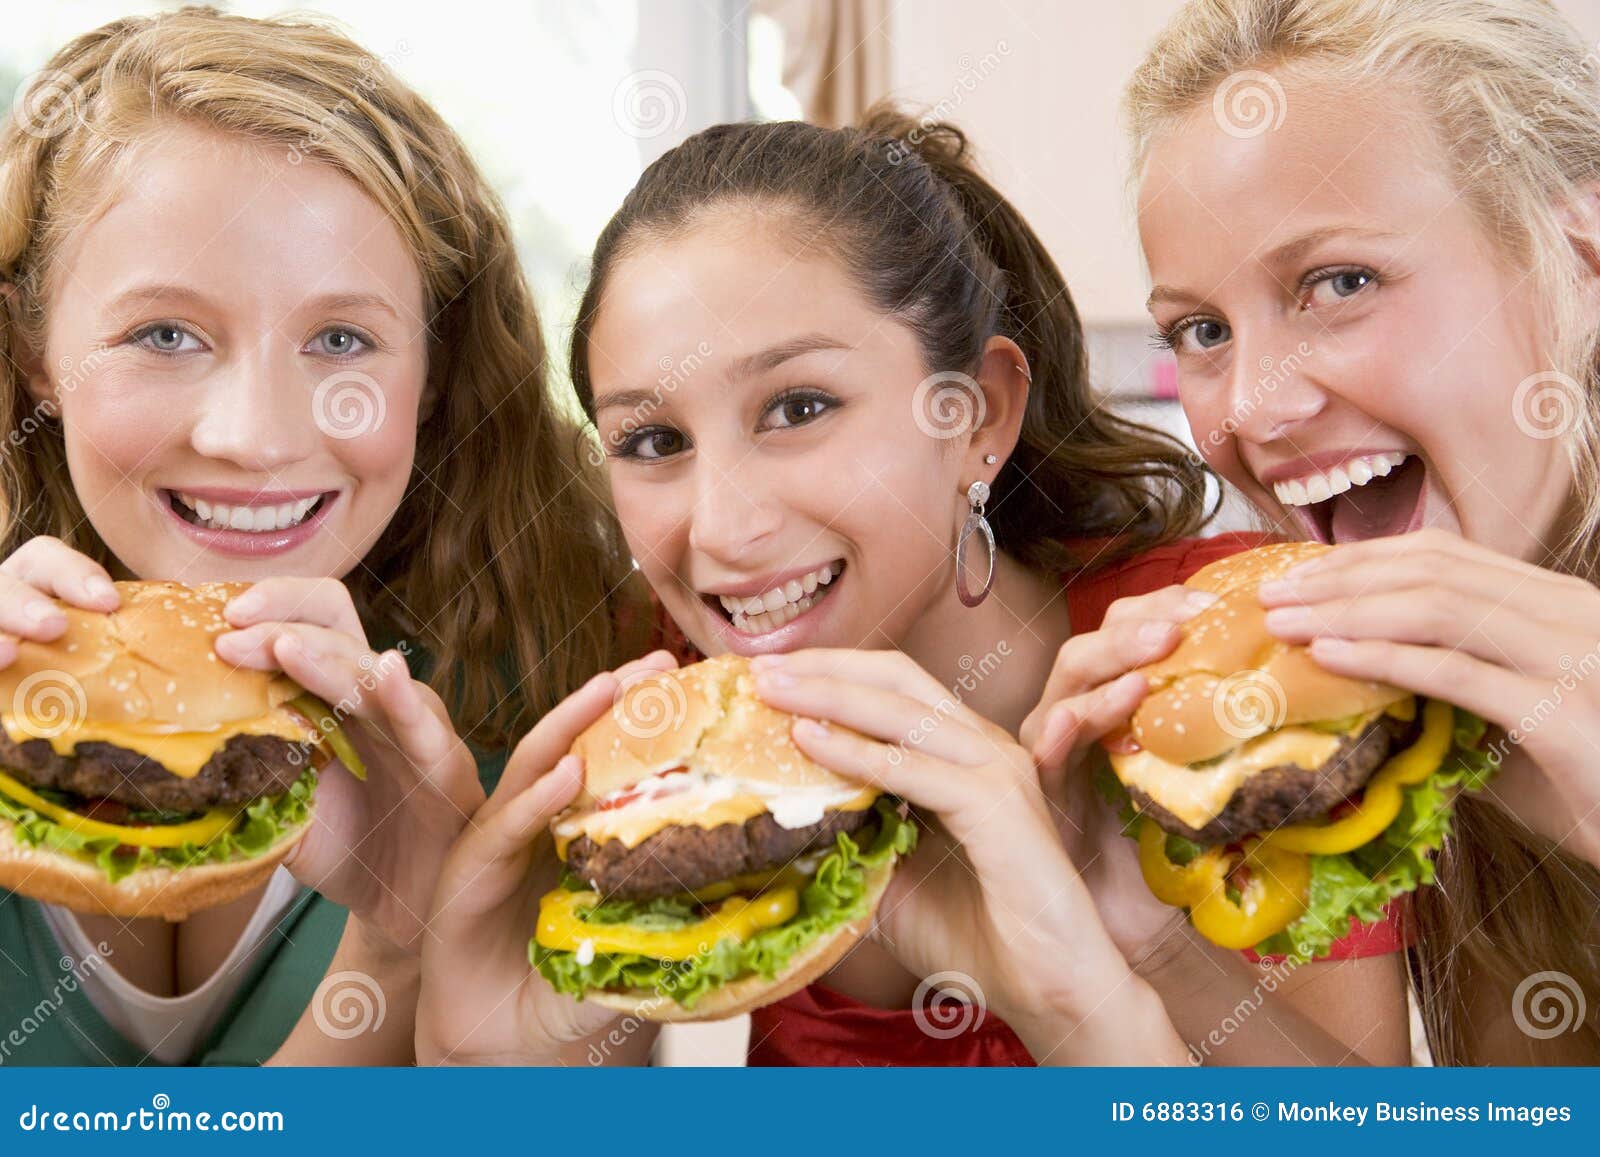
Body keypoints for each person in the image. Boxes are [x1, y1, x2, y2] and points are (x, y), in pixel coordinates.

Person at [419, 108, 1409, 1066]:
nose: (719, 528)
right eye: (652, 441)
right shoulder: (653, 709)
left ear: (978, 414)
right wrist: (484, 1058)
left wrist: (1100, 986)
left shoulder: (1234, 655)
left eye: (797, 407)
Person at [0, 7, 641, 1065]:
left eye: (341, 338)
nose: (254, 437)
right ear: (35, 356)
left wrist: (403, 945)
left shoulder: (571, 714)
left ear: (434, 369)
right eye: (164, 333)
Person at [1119, 0, 1600, 1062]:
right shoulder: (1401, 722)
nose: (1251, 407)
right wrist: (1146, 939)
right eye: (1201, 330)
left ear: (1580, 259)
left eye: (1339, 283)